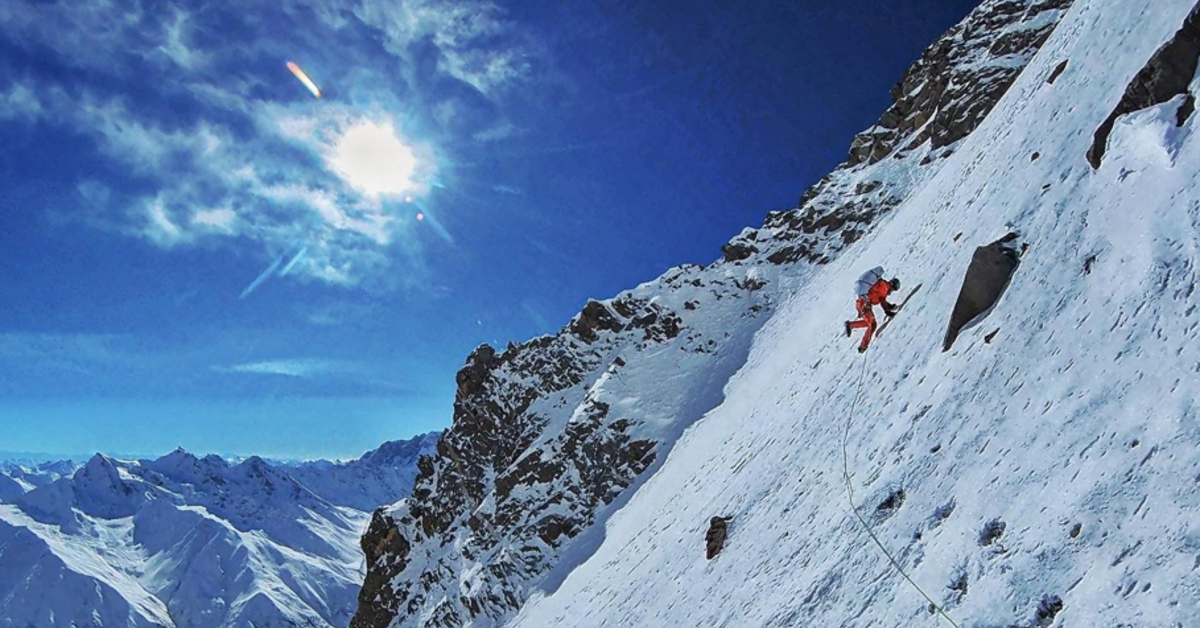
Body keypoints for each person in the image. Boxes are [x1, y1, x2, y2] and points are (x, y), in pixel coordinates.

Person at [845, 266, 900, 353]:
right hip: (864, 304)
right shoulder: (884, 287)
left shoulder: (882, 284)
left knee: (869, 323)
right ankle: (863, 346)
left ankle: (851, 325)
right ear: (892, 286)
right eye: (893, 290)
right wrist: (887, 311)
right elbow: (882, 300)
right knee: (872, 325)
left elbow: (881, 298)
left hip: (862, 304)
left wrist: (890, 307)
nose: (891, 292)